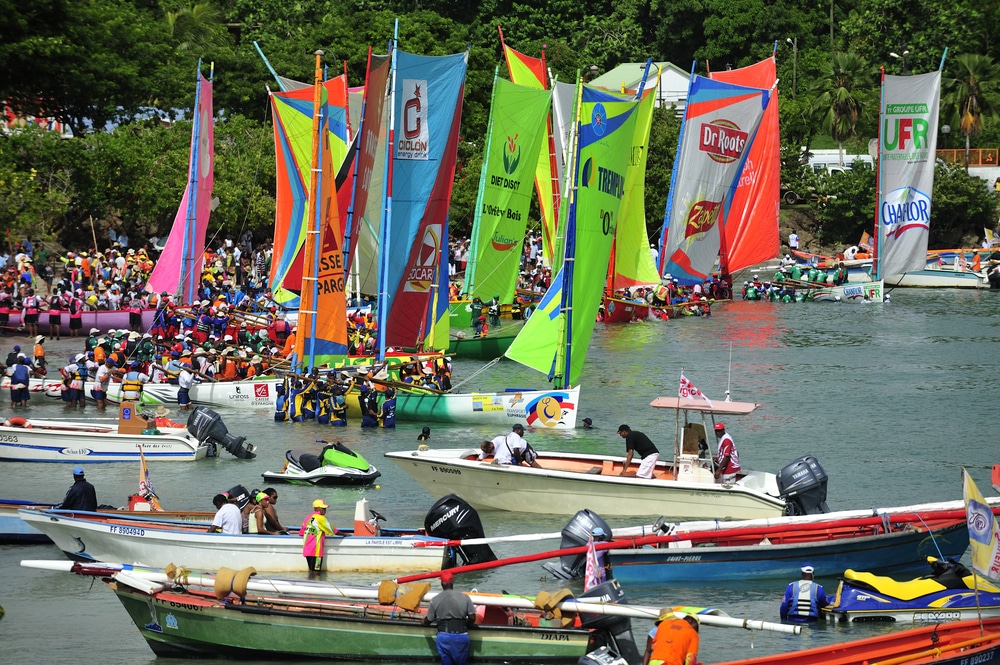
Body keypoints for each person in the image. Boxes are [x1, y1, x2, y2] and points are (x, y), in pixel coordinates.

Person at [423, 570, 476, 665]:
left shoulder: (435, 600)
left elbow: (429, 619)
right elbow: (472, 617)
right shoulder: (465, 598)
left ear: (441, 583)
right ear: (453, 582)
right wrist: (467, 625)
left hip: (444, 636)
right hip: (461, 635)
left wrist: (423, 622)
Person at [301, 498, 337, 577]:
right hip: (316, 552)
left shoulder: (307, 518)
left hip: (307, 550)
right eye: (323, 508)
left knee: (311, 571)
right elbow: (333, 530)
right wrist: (346, 534)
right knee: (316, 572)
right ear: (318, 509)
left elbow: (301, 533)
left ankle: (310, 585)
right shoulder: (320, 518)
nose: (325, 510)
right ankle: (316, 585)